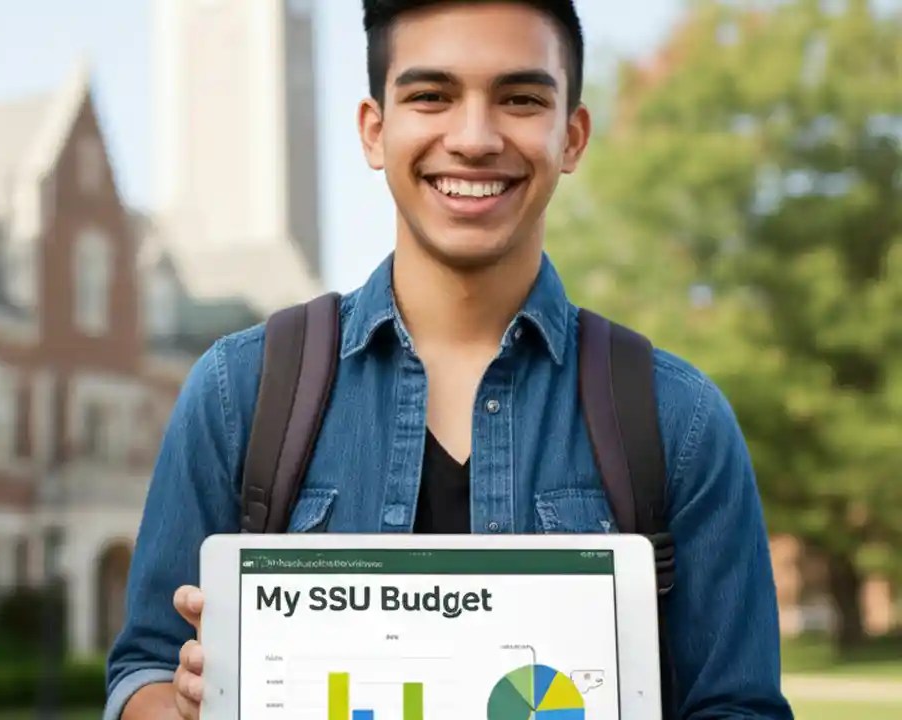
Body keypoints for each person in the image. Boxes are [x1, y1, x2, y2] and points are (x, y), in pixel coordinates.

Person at [105, 1, 793, 718]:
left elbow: (737, 704)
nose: (473, 137)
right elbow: (142, 670)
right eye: (431, 96)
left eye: (521, 99)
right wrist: (179, 706)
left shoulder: (678, 420)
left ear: (573, 137)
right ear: (375, 131)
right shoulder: (236, 391)